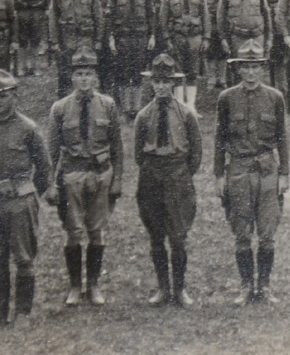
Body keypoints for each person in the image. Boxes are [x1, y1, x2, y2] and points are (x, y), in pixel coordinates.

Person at [44, 48, 123, 305]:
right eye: (79, 74)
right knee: (73, 231)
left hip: (101, 174)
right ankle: (75, 286)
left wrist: (118, 180)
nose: (84, 79)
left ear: (96, 76)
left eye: (88, 73)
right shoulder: (60, 108)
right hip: (72, 175)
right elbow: (51, 152)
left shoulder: (108, 105)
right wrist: (50, 186)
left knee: (97, 231)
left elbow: (118, 147)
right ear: (71, 77)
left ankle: (94, 285)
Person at [213, 39, 289, 304]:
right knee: (242, 232)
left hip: (268, 169)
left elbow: (283, 138)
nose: (250, 72)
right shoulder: (227, 98)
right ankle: (246, 286)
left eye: (255, 67)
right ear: (238, 69)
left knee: (267, 233)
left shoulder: (275, 97)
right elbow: (219, 140)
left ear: (262, 68)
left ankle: (265, 286)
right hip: (239, 170)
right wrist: (219, 176)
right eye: (246, 67)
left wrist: (285, 174)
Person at [133, 54, 202, 307]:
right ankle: (163, 288)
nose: (161, 86)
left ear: (173, 83)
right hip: (151, 175)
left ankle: (180, 289)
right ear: (151, 83)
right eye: (157, 82)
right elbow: (138, 153)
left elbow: (195, 153)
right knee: (156, 235)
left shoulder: (186, 114)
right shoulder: (143, 116)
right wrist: (154, 170)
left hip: (178, 176)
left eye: (166, 82)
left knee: (178, 236)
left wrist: (180, 174)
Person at [0, 69, 50, 325]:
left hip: (20, 201)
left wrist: (27, 194)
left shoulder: (27, 128)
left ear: (14, 96)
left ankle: (22, 312)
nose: (0, 101)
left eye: (4, 95)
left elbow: (44, 169)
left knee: (23, 258)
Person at [158, 0, 210, 110]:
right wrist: (167, 37)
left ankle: (191, 105)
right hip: (177, 35)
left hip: (195, 35)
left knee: (193, 70)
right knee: (178, 70)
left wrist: (206, 37)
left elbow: (204, 13)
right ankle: (179, 103)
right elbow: (163, 16)